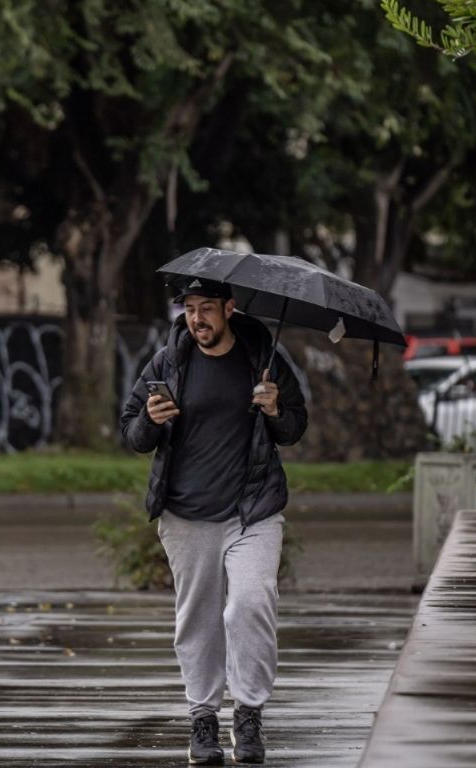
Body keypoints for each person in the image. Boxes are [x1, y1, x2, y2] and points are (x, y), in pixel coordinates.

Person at [119, 277, 308, 765]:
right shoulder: (168, 361)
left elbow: (294, 426)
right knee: (198, 621)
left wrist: (275, 408)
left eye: (206, 308)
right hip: (186, 515)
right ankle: (203, 718)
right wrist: (151, 421)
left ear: (229, 308)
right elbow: (132, 432)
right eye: (189, 309)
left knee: (250, 603)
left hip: (253, 512)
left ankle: (248, 713)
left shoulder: (261, 358)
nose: (196, 319)